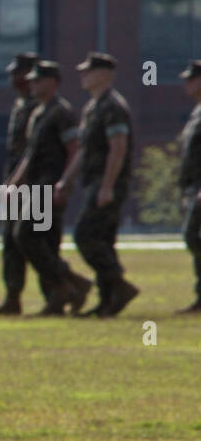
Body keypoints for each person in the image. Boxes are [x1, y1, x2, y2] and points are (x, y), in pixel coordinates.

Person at [6, 60, 91, 316]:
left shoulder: (61, 112)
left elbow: (75, 149)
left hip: (48, 185)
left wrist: (65, 182)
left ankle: (70, 284)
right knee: (41, 240)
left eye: (39, 80)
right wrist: (14, 183)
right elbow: (29, 155)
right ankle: (64, 290)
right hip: (34, 184)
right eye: (32, 80)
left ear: (53, 82)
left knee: (25, 234)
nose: (33, 84)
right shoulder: (38, 113)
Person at [56, 51, 136, 317]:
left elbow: (119, 147)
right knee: (102, 239)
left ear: (104, 75)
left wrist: (107, 186)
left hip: (106, 183)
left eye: (88, 71)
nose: (83, 76)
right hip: (93, 182)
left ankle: (119, 285)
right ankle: (108, 300)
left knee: (85, 236)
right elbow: (84, 150)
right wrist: (66, 179)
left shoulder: (113, 106)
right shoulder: (93, 107)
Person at [0, 52, 40, 315]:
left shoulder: (38, 106)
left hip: (35, 185)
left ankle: (62, 289)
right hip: (16, 185)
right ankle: (12, 297)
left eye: (18, 72)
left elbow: (33, 151)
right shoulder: (21, 105)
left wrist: (17, 181)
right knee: (11, 242)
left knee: (35, 241)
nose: (12, 78)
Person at [174, 60, 201, 314]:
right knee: (195, 239)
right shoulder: (196, 112)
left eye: (192, 78)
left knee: (194, 237)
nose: (187, 83)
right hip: (193, 187)